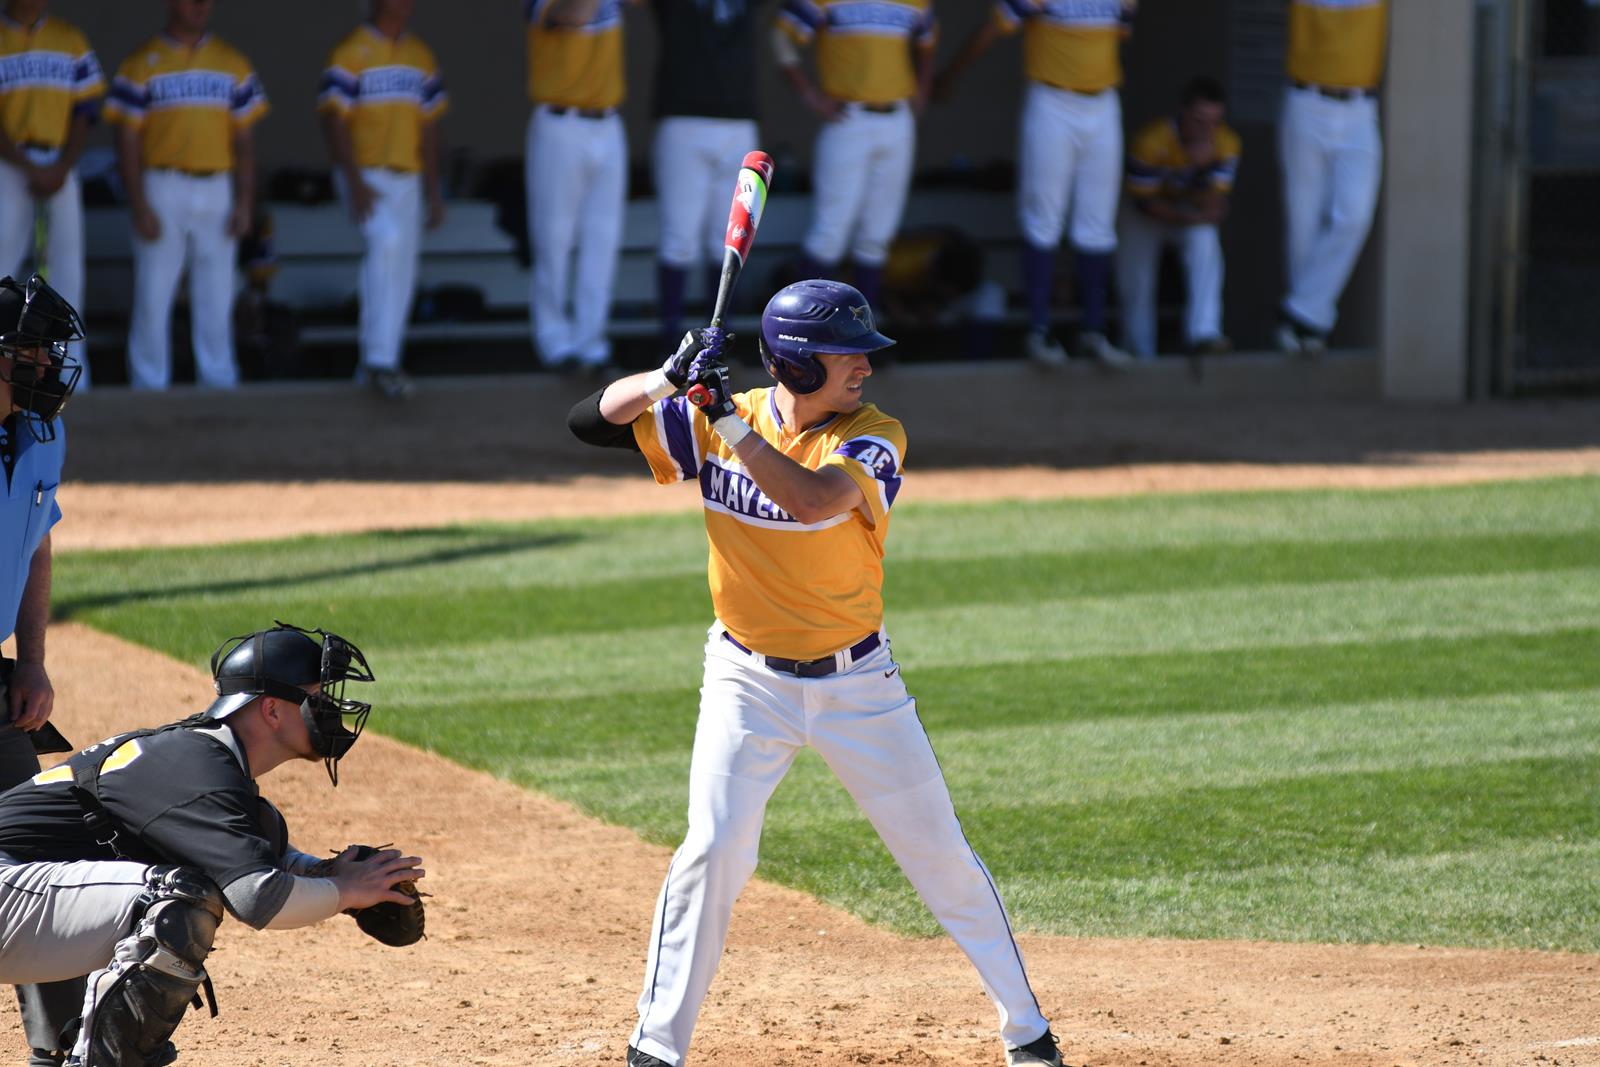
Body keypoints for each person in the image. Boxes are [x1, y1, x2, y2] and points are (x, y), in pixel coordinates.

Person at [568, 280, 1064, 1067]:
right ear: (797, 364)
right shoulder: (726, 414)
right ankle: (655, 1049)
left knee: (941, 860)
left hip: (858, 688)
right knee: (713, 849)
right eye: (849, 353)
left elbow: (813, 501)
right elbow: (589, 422)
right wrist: (669, 377)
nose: (866, 366)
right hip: (744, 681)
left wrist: (723, 416)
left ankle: (1029, 1032)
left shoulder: (875, 433)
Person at [0, 623, 425, 1067]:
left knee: (176, 893)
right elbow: (261, 899)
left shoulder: (211, 768)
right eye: (317, 700)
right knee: (176, 901)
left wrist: (334, 874)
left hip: (18, 901)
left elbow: (272, 861)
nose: (333, 711)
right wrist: (349, 892)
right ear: (272, 710)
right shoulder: (199, 769)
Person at [938, 0, 1136, 367]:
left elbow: (1121, 30)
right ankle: (1039, 331)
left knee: (1097, 223)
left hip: (1103, 101)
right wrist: (952, 75)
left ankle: (1094, 331)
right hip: (1053, 99)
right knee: (1043, 217)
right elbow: (990, 29)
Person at [0, 272, 82, 1067]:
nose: (43, 365)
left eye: (48, 350)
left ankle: (63, 1048)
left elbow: (37, 545)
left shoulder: (40, 436)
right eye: (26, 349)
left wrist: (32, 661)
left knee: (33, 847)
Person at [105, 0, 269, 391]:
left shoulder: (232, 62)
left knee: (217, 292)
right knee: (154, 290)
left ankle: (219, 381)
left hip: (217, 184)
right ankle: (148, 383)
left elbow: (245, 141)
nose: (199, 6)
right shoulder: (142, 62)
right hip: (163, 183)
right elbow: (126, 139)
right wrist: (138, 202)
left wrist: (245, 202)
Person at [319, 0, 448, 401]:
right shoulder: (350, 51)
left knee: (403, 268)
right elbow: (333, 120)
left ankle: (380, 363)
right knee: (386, 242)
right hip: (365, 173)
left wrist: (432, 189)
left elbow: (428, 128)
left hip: (407, 177)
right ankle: (377, 359)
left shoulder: (421, 55)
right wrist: (353, 181)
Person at [774, 0, 937, 312]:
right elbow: (781, 36)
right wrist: (809, 94)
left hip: (897, 115)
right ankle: (811, 332)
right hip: (848, 117)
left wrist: (923, 90)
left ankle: (863, 338)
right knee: (831, 232)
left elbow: (926, 41)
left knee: (877, 236)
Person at [524, 0, 638, 374]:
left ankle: (592, 342)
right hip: (560, 121)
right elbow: (573, 15)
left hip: (607, 121)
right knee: (554, 237)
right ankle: (554, 341)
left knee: (602, 238)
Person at [0, 0, 102, 391]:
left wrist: (62, 165)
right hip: (9, 164)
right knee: (4, 267)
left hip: (59, 162)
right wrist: (27, 165)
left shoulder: (69, 39)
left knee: (66, 270)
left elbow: (85, 109)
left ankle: (70, 373)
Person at [1277, 0, 1388, 355]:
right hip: (1307, 100)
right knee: (1303, 221)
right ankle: (1307, 331)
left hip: (1359, 107)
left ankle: (1301, 311)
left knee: (1354, 216)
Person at [650, 0, 761, 350]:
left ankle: (718, 344)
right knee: (679, 238)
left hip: (739, 120)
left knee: (729, 239)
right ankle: (669, 343)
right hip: (684, 119)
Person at [1115, 76, 1240, 360]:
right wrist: (1195, 213)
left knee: (1205, 241)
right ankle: (1138, 348)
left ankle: (1204, 334)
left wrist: (1203, 168)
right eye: (1199, 120)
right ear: (1182, 112)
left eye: (1213, 121)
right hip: (1145, 215)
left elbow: (1215, 204)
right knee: (1136, 275)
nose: (1206, 129)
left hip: (1185, 211)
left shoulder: (1226, 142)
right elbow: (1145, 204)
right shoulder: (1151, 140)